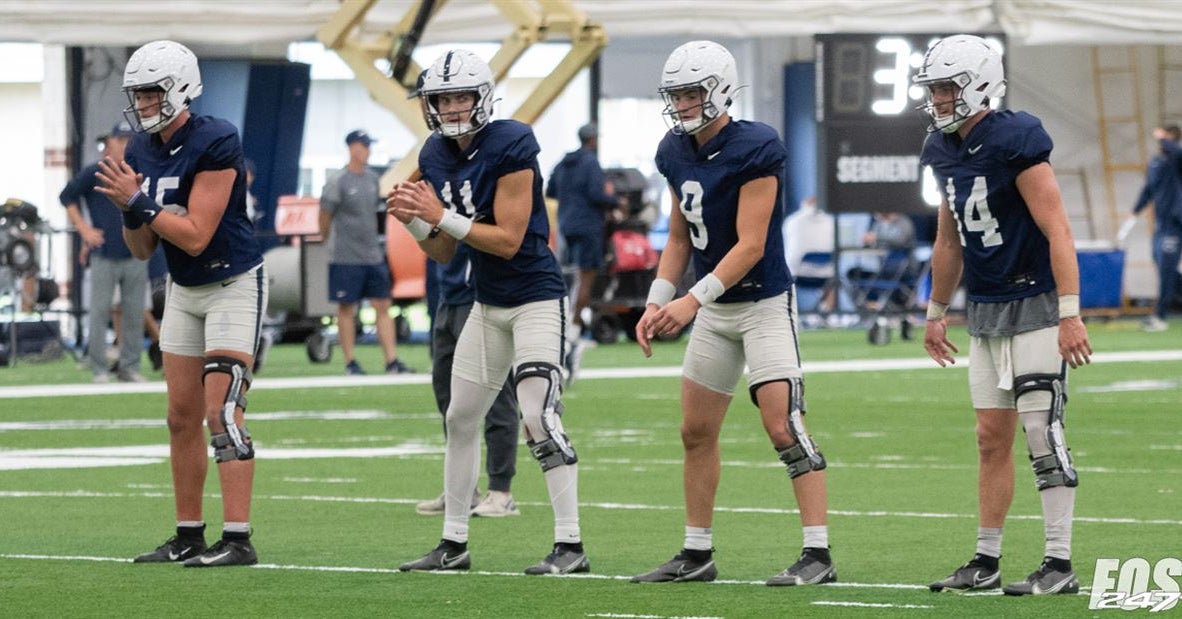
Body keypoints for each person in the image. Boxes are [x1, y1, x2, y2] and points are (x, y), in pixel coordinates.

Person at [630, 40, 835, 587]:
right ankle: (696, 552)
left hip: (763, 302)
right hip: (715, 310)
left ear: (720, 89)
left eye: (693, 92)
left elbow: (750, 244)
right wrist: (656, 300)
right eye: (677, 94)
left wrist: (691, 300)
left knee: (783, 426)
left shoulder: (756, 145)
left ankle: (818, 553)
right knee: (695, 431)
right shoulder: (674, 150)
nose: (684, 104)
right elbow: (679, 236)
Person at [388, 48, 586, 575]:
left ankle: (570, 545)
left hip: (535, 298)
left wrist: (441, 215)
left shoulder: (512, 142)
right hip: (488, 302)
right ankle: (453, 543)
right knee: (460, 416)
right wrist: (414, 221)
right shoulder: (433, 153)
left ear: (483, 98)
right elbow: (445, 250)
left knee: (538, 417)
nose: (451, 108)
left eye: (460, 97)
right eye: (442, 99)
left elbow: (508, 239)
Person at [914, 34, 1093, 596]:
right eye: (936, 89)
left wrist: (1070, 313)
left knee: (1042, 432)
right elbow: (949, 242)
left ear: (981, 85)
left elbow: (1056, 227)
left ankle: (1058, 564)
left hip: (1036, 304)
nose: (940, 99)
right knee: (991, 438)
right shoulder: (941, 149)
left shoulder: (1016, 139)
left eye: (949, 87)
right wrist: (936, 312)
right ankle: (985, 561)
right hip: (986, 311)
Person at [95, 39, 267, 567]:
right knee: (180, 415)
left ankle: (238, 539)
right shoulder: (140, 150)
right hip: (184, 289)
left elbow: (195, 234)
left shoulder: (216, 137)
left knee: (223, 413)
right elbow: (144, 246)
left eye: (151, 92)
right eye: (138, 93)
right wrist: (129, 212)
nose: (143, 103)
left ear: (181, 87)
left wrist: (139, 201)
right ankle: (188, 533)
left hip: (232, 283)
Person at [416, 248, 521, 518]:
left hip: (480, 298)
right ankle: (462, 489)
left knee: (496, 395)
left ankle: (501, 491)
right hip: (448, 296)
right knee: (448, 397)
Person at [60, 120, 149, 384]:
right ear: (110, 143)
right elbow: (66, 196)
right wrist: (84, 229)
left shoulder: (138, 170)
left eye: (128, 141)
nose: (125, 145)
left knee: (134, 312)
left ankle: (130, 366)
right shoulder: (96, 172)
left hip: (135, 250)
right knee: (98, 312)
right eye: (120, 140)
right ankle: (99, 367)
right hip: (104, 251)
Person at [319, 129, 412, 375]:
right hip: (345, 257)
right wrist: (328, 242)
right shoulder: (337, 180)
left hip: (372, 256)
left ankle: (391, 361)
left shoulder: (372, 179)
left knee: (383, 305)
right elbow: (324, 216)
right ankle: (350, 362)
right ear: (352, 147)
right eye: (364, 146)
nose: (367, 150)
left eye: (369, 146)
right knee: (347, 309)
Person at [547, 123, 616, 337]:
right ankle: (574, 329)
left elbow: (551, 191)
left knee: (573, 275)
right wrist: (615, 202)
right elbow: (597, 195)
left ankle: (566, 322)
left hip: (566, 225)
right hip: (588, 225)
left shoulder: (562, 163)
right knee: (587, 277)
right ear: (593, 139)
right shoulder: (590, 162)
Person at [1126, 125, 1182, 332]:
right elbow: (1148, 188)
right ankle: (1164, 310)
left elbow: (1177, 151)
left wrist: (1164, 138)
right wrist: (1135, 210)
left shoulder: (1177, 158)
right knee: (1161, 266)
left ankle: (1160, 317)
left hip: (1175, 225)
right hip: (1161, 225)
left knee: (1167, 270)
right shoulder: (1156, 162)